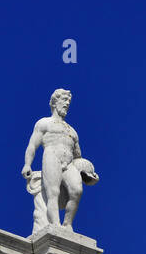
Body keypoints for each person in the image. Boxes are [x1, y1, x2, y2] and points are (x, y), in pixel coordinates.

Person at [22, 89, 97, 233]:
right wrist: (27, 164)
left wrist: (89, 172)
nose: (67, 104)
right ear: (55, 102)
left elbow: (78, 157)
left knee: (77, 190)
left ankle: (67, 224)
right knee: (53, 193)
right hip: (52, 156)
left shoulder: (72, 131)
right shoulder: (44, 123)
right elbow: (32, 145)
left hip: (69, 162)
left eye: (69, 101)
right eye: (64, 100)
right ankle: (55, 225)